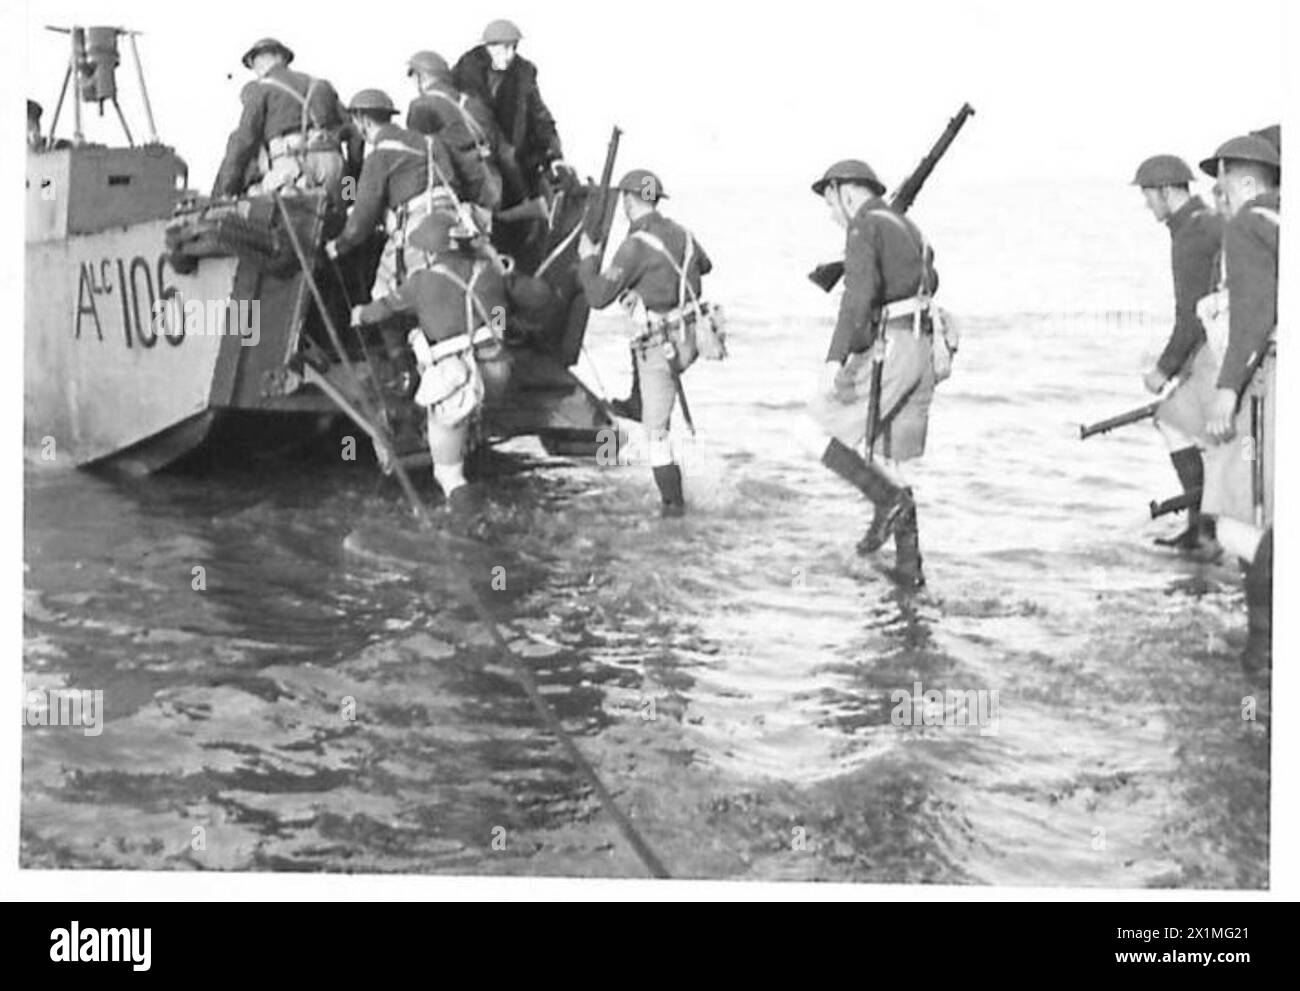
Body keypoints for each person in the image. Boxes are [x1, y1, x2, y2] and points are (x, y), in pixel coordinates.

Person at [808, 160, 944, 589]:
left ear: (845, 193)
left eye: (831, 204)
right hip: (924, 349)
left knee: (808, 429)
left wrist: (834, 360)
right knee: (887, 460)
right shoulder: (909, 227)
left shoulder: (864, 225)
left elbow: (858, 298)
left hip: (897, 349)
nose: (832, 215)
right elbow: (927, 279)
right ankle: (910, 571)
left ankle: (885, 504)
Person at [576, 169, 714, 517]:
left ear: (628, 201)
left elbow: (596, 296)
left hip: (661, 347)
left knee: (657, 438)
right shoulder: (684, 234)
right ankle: (638, 402)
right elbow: (706, 266)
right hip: (690, 338)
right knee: (640, 340)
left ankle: (673, 508)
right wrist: (651, 285)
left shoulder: (635, 245)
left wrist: (588, 259)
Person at [351, 215, 510, 514]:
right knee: (464, 429)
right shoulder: (487, 271)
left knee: (447, 474)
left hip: (459, 378)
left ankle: (472, 530)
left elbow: (383, 309)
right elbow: (501, 317)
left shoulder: (422, 282)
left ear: (429, 251)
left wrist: (360, 314)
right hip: (496, 369)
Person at [1199, 133, 1280, 672]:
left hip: (1272, 377)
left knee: (1252, 515)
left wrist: (1227, 388)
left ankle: (1262, 649)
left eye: (1223, 184)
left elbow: (1253, 313)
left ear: (1246, 181)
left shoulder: (1251, 222)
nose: (1219, 196)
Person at [1131, 154, 1224, 554]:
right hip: (1217, 342)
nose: (1146, 204)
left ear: (1167, 192)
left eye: (1149, 195)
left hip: (1212, 346)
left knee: (1170, 419)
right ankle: (1207, 523)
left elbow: (1191, 315)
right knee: (1198, 430)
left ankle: (1202, 528)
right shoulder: (1202, 222)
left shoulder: (1191, 233)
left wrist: (1164, 369)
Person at [325, 89, 463, 302]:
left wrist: (339, 245)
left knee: (383, 297)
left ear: (362, 120)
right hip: (454, 224)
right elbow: (453, 182)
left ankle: (413, 334)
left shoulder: (379, 156)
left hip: (416, 234)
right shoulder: (430, 142)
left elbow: (361, 219)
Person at [212, 38, 360, 203]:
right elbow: (355, 134)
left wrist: (226, 191)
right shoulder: (321, 86)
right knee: (335, 223)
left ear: (263, 60)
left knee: (255, 206)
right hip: (335, 171)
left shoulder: (262, 88)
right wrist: (351, 191)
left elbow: (243, 141)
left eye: (255, 63)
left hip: (291, 169)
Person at [452, 19, 570, 209]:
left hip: (518, 153)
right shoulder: (466, 73)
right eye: (503, 48)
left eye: (513, 48)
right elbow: (477, 118)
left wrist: (554, 155)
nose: (510, 55)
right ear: (488, 47)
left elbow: (540, 117)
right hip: (478, 152)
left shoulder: (524, 73)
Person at [406, 50, 502, 217]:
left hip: (459, 194)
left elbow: (419, 157)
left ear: (421, 76)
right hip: (492, 187)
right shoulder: (472, 103)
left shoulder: (422, 106)